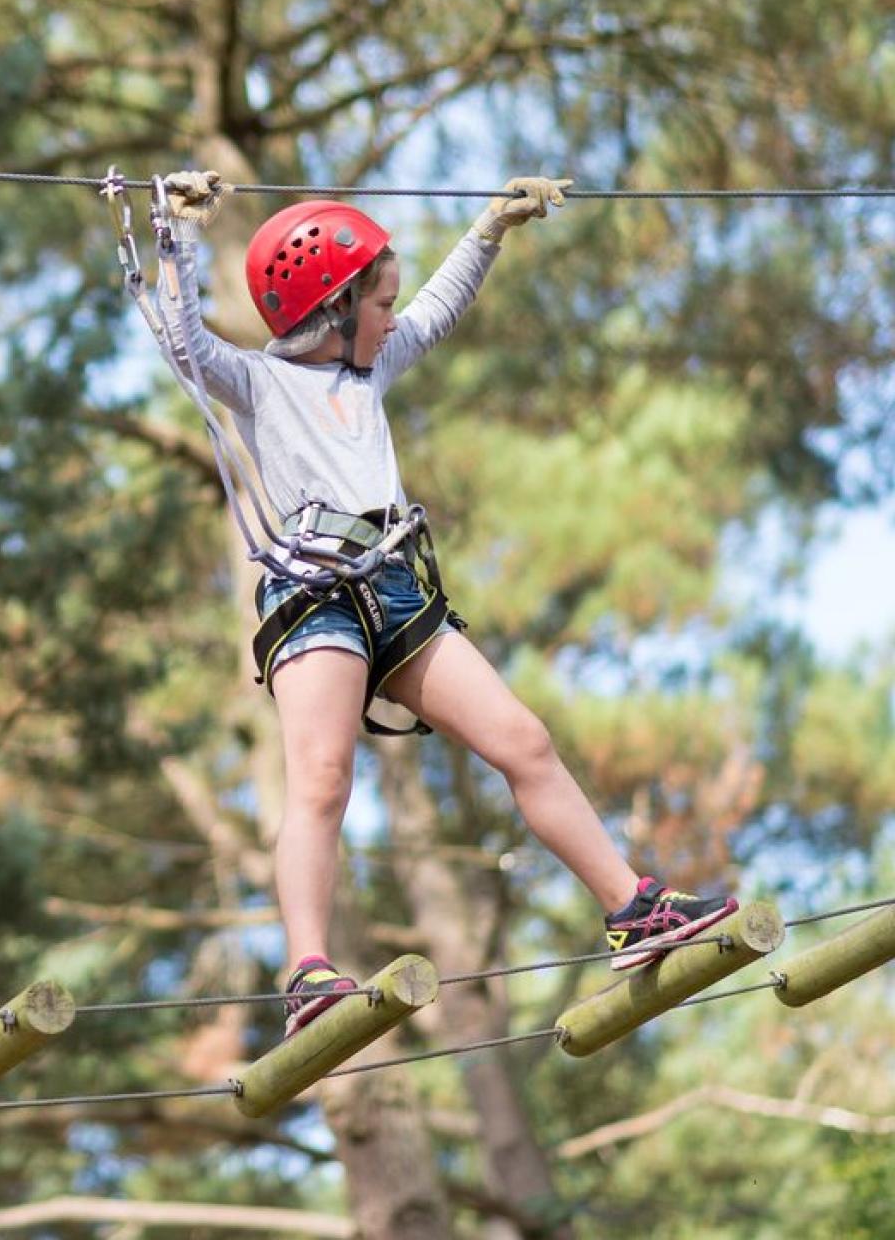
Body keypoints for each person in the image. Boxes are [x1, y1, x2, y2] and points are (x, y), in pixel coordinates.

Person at [156, 169, 738, 1037]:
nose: (393, 318)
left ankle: (632, 910)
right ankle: (309, 972)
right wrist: (176, 233)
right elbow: (181, 344)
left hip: (396, 585)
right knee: (320, 778)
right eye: (378, 303)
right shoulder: (261, 384)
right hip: (314, 592)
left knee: (524, 742)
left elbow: (437, 309)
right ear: (335, 305)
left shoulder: (371, 367)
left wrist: (491, 231)